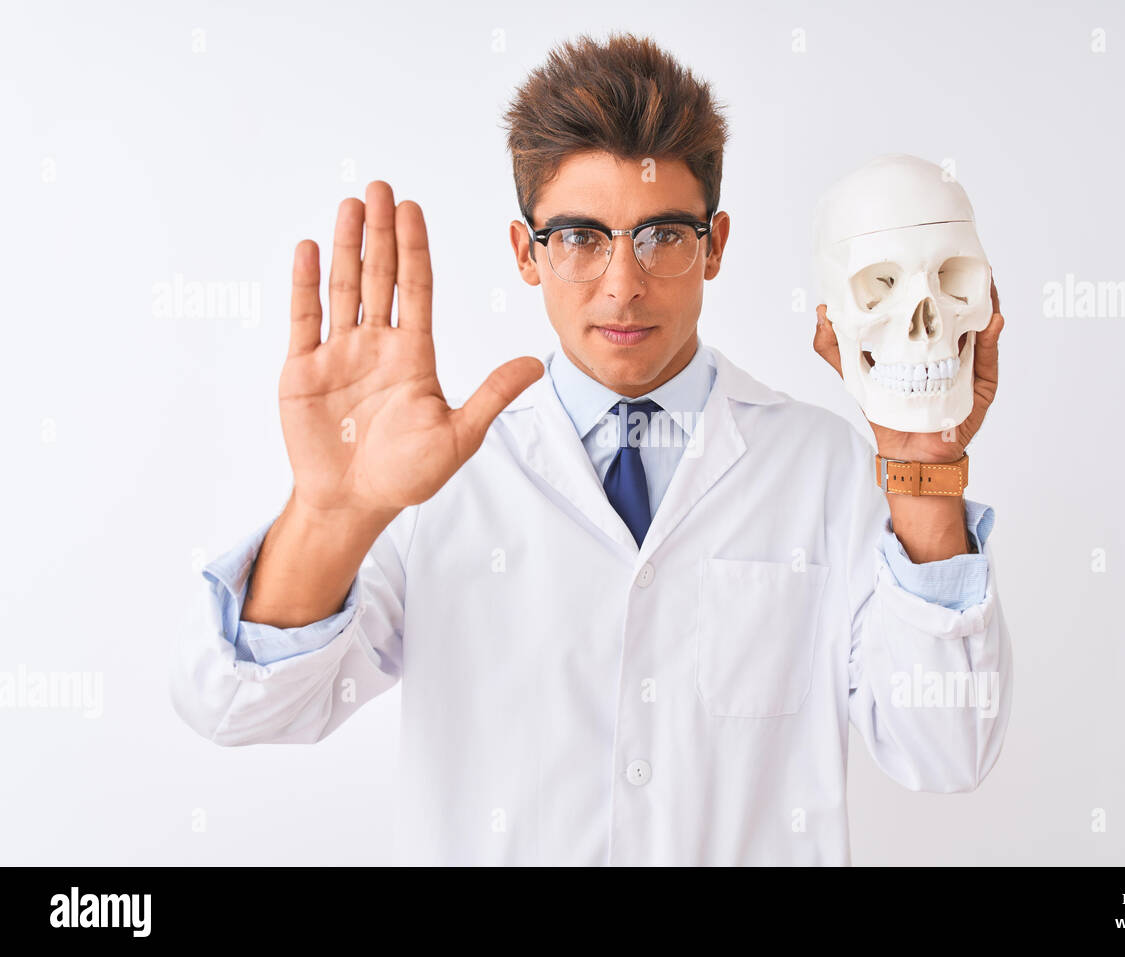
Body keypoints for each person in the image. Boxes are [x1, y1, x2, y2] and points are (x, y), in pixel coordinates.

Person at [170, 30, 1012, 866]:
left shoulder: (828, 469)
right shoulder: (429, 474)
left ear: (714, 245)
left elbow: (947, 747)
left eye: (663, 236)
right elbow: (236, 709)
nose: (622, 282)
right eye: (579, 237)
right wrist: (331, 513)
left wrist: (927, 475)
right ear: (525, 253)